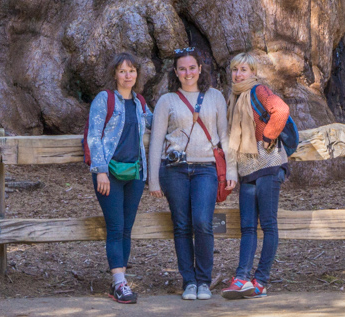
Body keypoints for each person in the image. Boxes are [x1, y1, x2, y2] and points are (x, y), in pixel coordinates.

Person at [148, 47, 236, 300]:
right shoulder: (167, 101)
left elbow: (225, 136)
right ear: (176, 72)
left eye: (192, 67)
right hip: (174, 170)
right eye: (182, 68)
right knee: (182, 225)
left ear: (200, 68)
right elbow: (156, 142)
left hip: (206, 168)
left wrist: (231, 169)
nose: (188, 73)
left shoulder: (215, 97)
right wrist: (153, 179)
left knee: (202, 221)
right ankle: (189, 281)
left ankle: (204, 281)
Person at [221, 51, 290, 299]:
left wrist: (269, 136)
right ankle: (241, 279)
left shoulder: (259, 91)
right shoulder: (234, 97)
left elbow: (281, 110)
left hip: (268, 164)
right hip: (247, 168)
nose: (239, 74)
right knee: (248, 226)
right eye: (235, 70)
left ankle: (260, 280)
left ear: (253, 73)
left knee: (268, 224)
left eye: (244, 70)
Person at [87, 52, 153, 303]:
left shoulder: (140, 103)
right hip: (109, 174)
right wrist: (100, 170)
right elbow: (94, 136)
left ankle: (122, 280)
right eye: (123, 71)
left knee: (127, 228)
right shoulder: (105, 99)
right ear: (114, 74)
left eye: (132, 71)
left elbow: (156, 123)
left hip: (135, 173)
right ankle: (119, 284)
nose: (128, 75)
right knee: (115, 227)